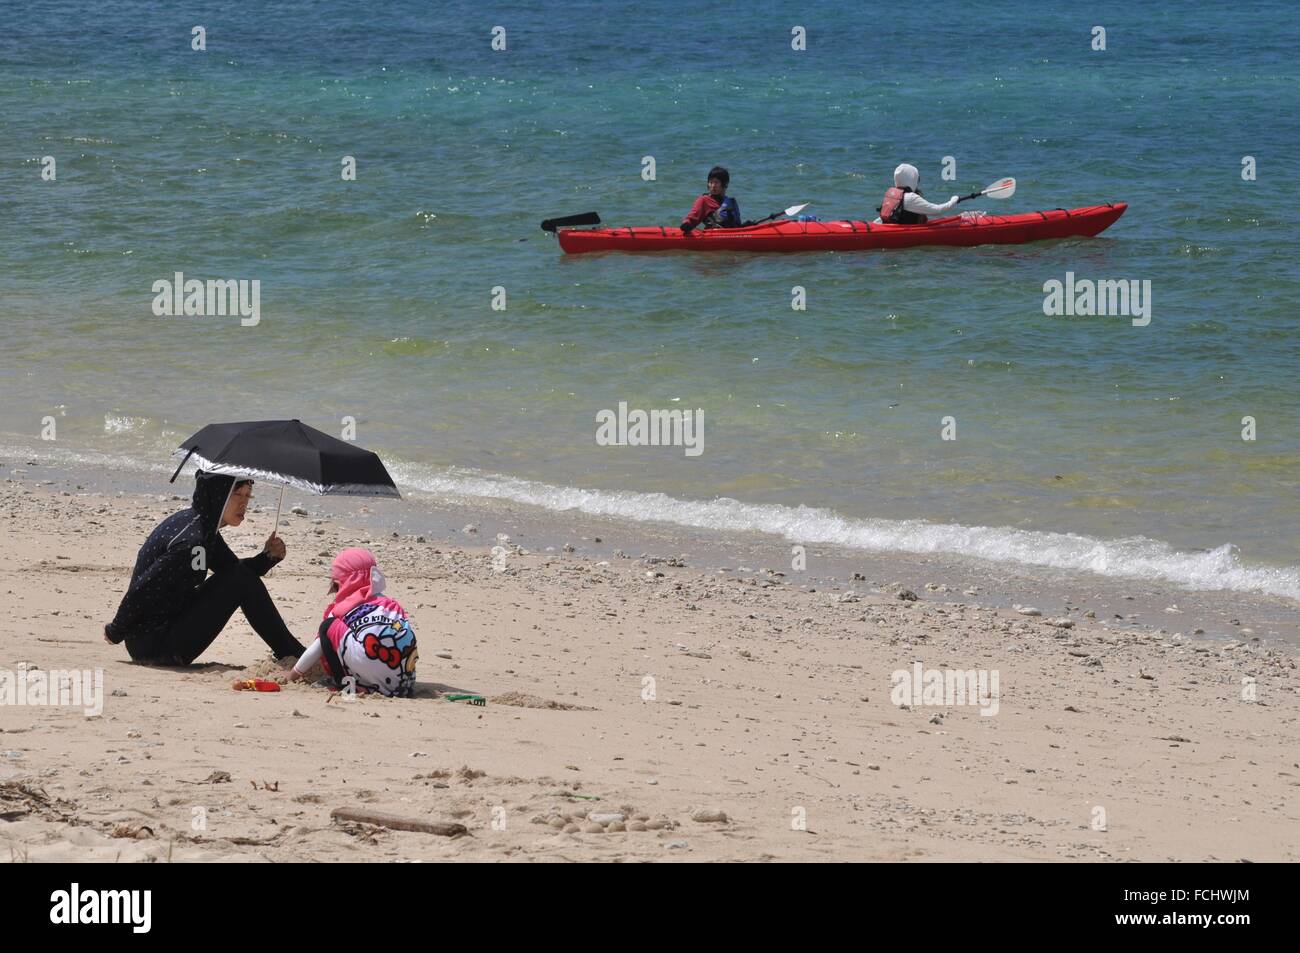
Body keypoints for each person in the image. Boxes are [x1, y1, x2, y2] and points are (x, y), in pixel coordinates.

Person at [104, 471, 305, 665]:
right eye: (237, 494)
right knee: (241, 578)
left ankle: (294, 654)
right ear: (217, 493)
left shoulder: (203, 527)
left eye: (248, 495)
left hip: (169, 624)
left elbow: (233, 571)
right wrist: (115, 631)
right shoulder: (192, 541)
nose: (244, 503)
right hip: (154, 644)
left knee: (240, 577)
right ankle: (295, 655)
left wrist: (268, 557)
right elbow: (142, 589)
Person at [289, 548, 417, 697]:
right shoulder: (390, 606)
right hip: (402, 681)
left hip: (369, 664)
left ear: (339, 583)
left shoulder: (342, 609)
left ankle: (344, 683)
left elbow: (317, 648)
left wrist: (293, 674)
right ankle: (389, 683)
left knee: (328, 627)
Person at [875, 163, 961, 224]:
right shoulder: (911, 198)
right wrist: (954, 201)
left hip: (892, 228)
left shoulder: (892, 195)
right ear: (911, 178)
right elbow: (937, 210)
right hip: (905, 233)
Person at [681, 165, 742, 234]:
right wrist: (686, 224)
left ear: (724, 184)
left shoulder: (731, 202)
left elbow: (738, 224)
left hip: (733, 235)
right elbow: (692, 217)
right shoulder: (704, 200)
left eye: (716, 182)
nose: (713, 186)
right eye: (711, 182)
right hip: (714, 236)